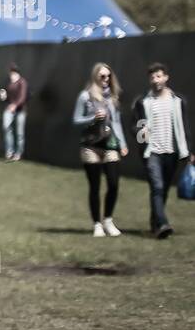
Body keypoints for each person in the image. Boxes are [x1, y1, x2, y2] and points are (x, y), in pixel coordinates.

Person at [132, 62, 192, 239]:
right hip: (152, 152)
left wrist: (189, 150)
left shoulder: (178, 101)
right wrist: (141, 136)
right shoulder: (143, 102)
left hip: (172, 152)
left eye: (159, 76)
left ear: (166, 77)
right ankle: (164, 223)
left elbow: (184, 127)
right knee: (157, 186)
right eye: (152, 77)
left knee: (163, 189)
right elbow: (135, 127)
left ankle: (155, 224)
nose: (155, 80)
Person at [73, 63, 128, 237]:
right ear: (95, 77)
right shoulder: (85, 96)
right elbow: (76, 120)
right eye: (102, 76)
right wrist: (92, 117)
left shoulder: (112, 97)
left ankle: (108, 220)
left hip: (110, 144)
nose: (106, 79)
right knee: (94, 186)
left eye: (108, 76)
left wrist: (123, 143)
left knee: (113, 184)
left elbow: (117, 122)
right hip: (90, 146)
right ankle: (97, 224)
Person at [0, 65, 28, 161]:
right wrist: (4, 97)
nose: (11, 74)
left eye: (12, 72)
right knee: (6, 128)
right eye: (10, 73)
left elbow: (22, 97)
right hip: (9, 109)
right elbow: (7, 98)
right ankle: (9, 151)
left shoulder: (22, 82)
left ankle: (18, 153)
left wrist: (15, 105)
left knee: (20, 133)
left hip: (20, 110)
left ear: (16, 73)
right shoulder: (9, 83)